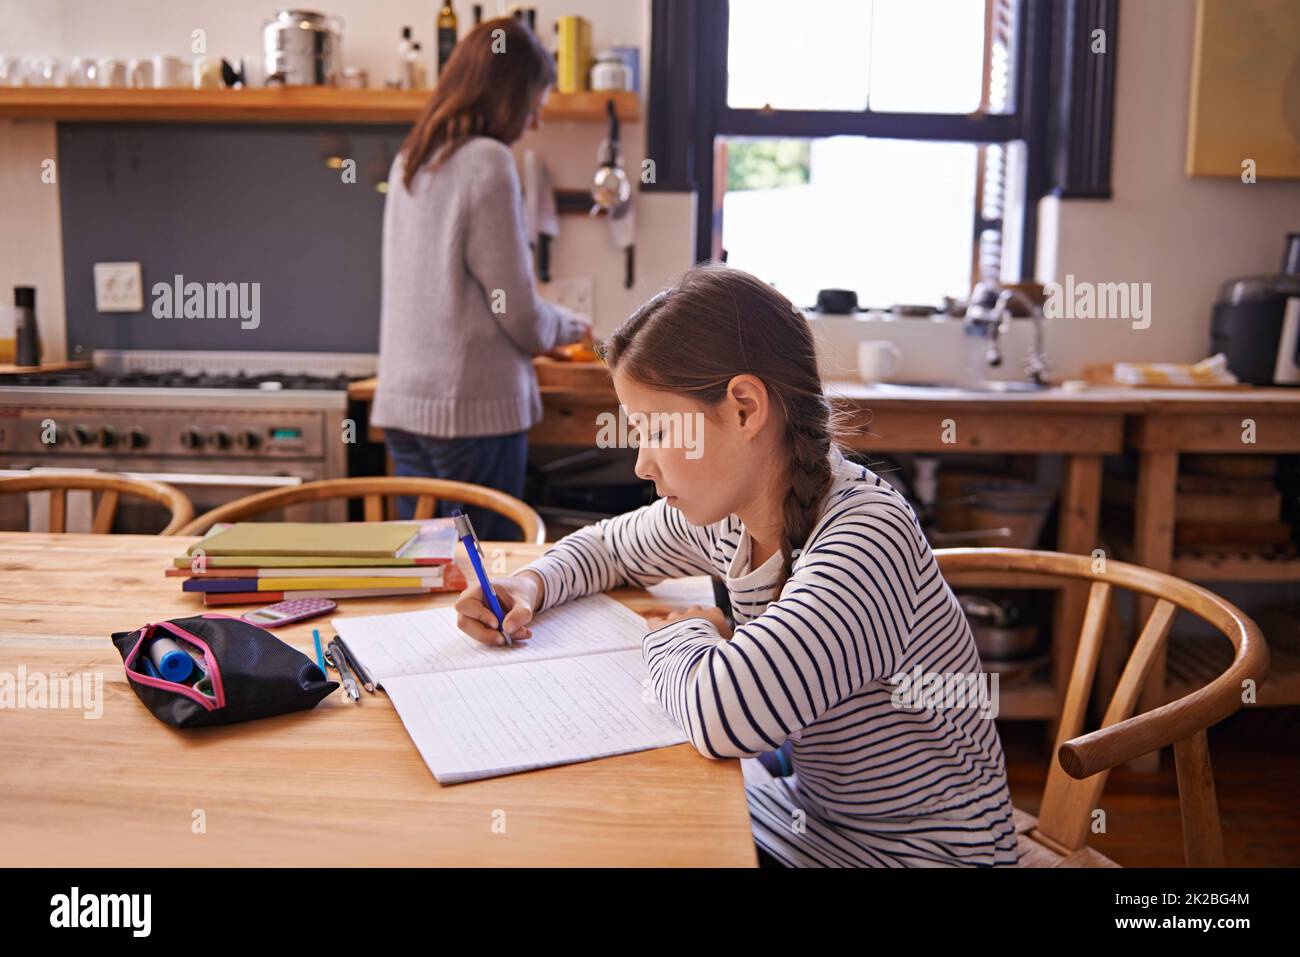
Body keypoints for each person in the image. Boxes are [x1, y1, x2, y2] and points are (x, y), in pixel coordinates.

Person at [454, 263, 1019, 867]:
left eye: (655, 429)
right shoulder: (733, 513)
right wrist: (529, 583)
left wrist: (684, 635)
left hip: (921, 856)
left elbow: (728, 714)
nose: (643, 465)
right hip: (819, 820)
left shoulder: (866, 537)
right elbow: (609, 546)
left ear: (746, 409)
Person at [373, 17, 591, 541]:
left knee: (424, 575)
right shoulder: (487, 162)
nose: (535, 120)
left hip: (407, 408)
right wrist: (572, 325)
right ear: (508, 94)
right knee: (483, 576)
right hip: (469, 413)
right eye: (534, 103)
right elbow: (517, 312)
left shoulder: (415, 158)